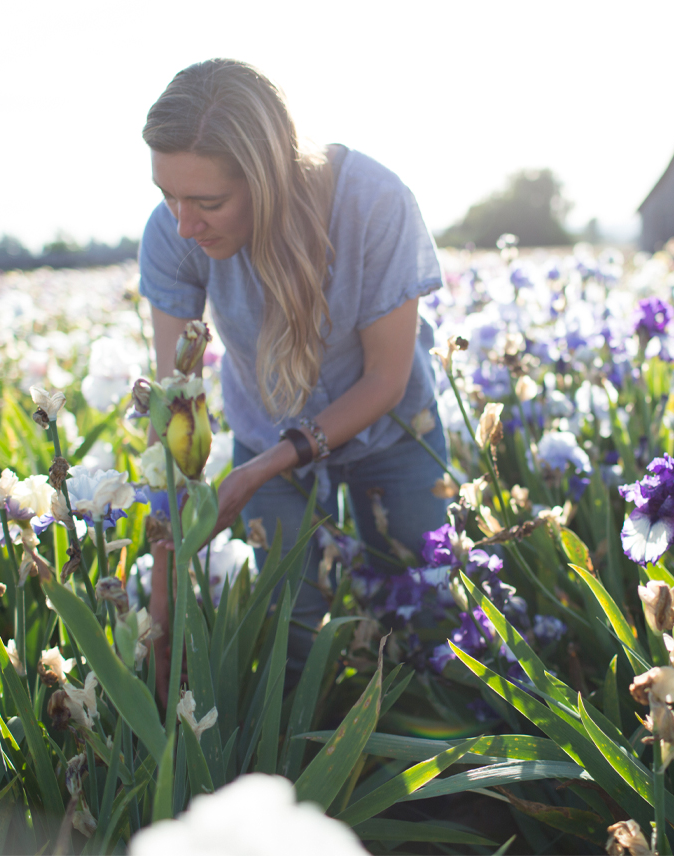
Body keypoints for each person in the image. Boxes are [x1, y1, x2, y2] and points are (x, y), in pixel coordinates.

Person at [139, 59, 450, 698]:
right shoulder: (173, 236)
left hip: (391, 432)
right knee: (294, 632)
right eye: (167, 195)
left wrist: (259, 470)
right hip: (263, 426)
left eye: (208, 202)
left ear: (267, 179)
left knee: (426, 611)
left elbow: (386, 381)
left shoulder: (373, 202)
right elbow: (175, 408)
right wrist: (160, 608)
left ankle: (441, 779)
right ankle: (312, 770)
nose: (183, 225)